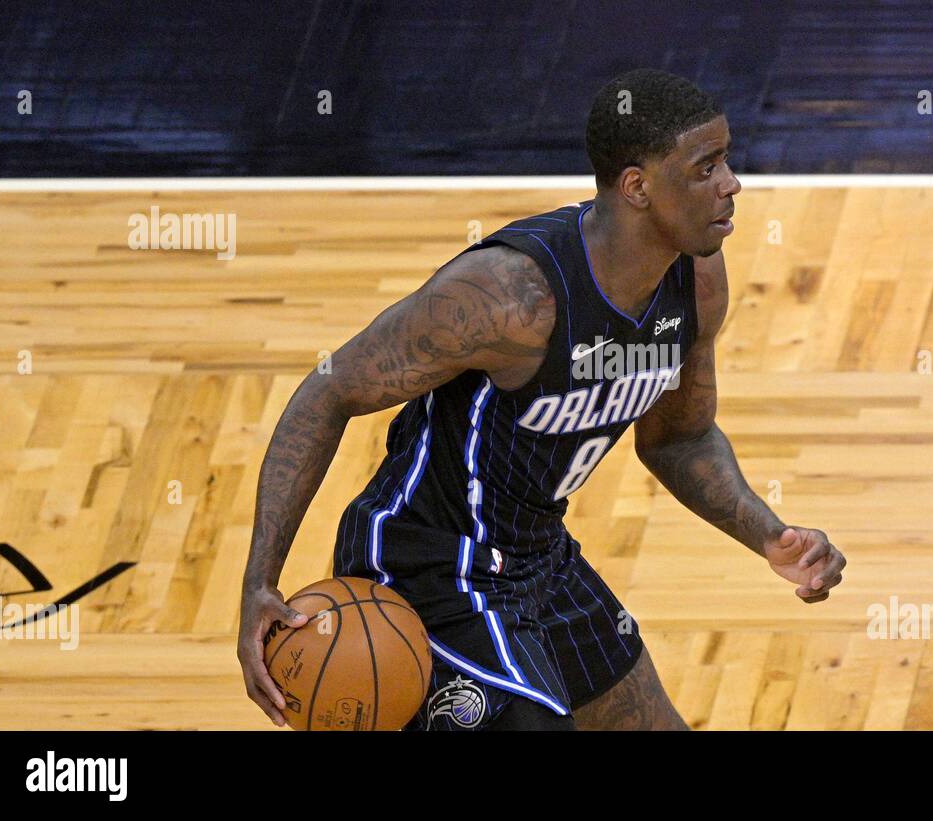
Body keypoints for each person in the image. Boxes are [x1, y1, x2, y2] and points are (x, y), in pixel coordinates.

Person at [237, 68, 845, 731]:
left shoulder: (696, 281)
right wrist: (258, 584)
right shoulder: (510, 296)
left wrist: (768, 533)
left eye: (726, 159)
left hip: (536, 555)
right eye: (706, 167)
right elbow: (329, 390)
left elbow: (679, 438)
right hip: (429, 566)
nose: (732, 183)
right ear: (638, 187)